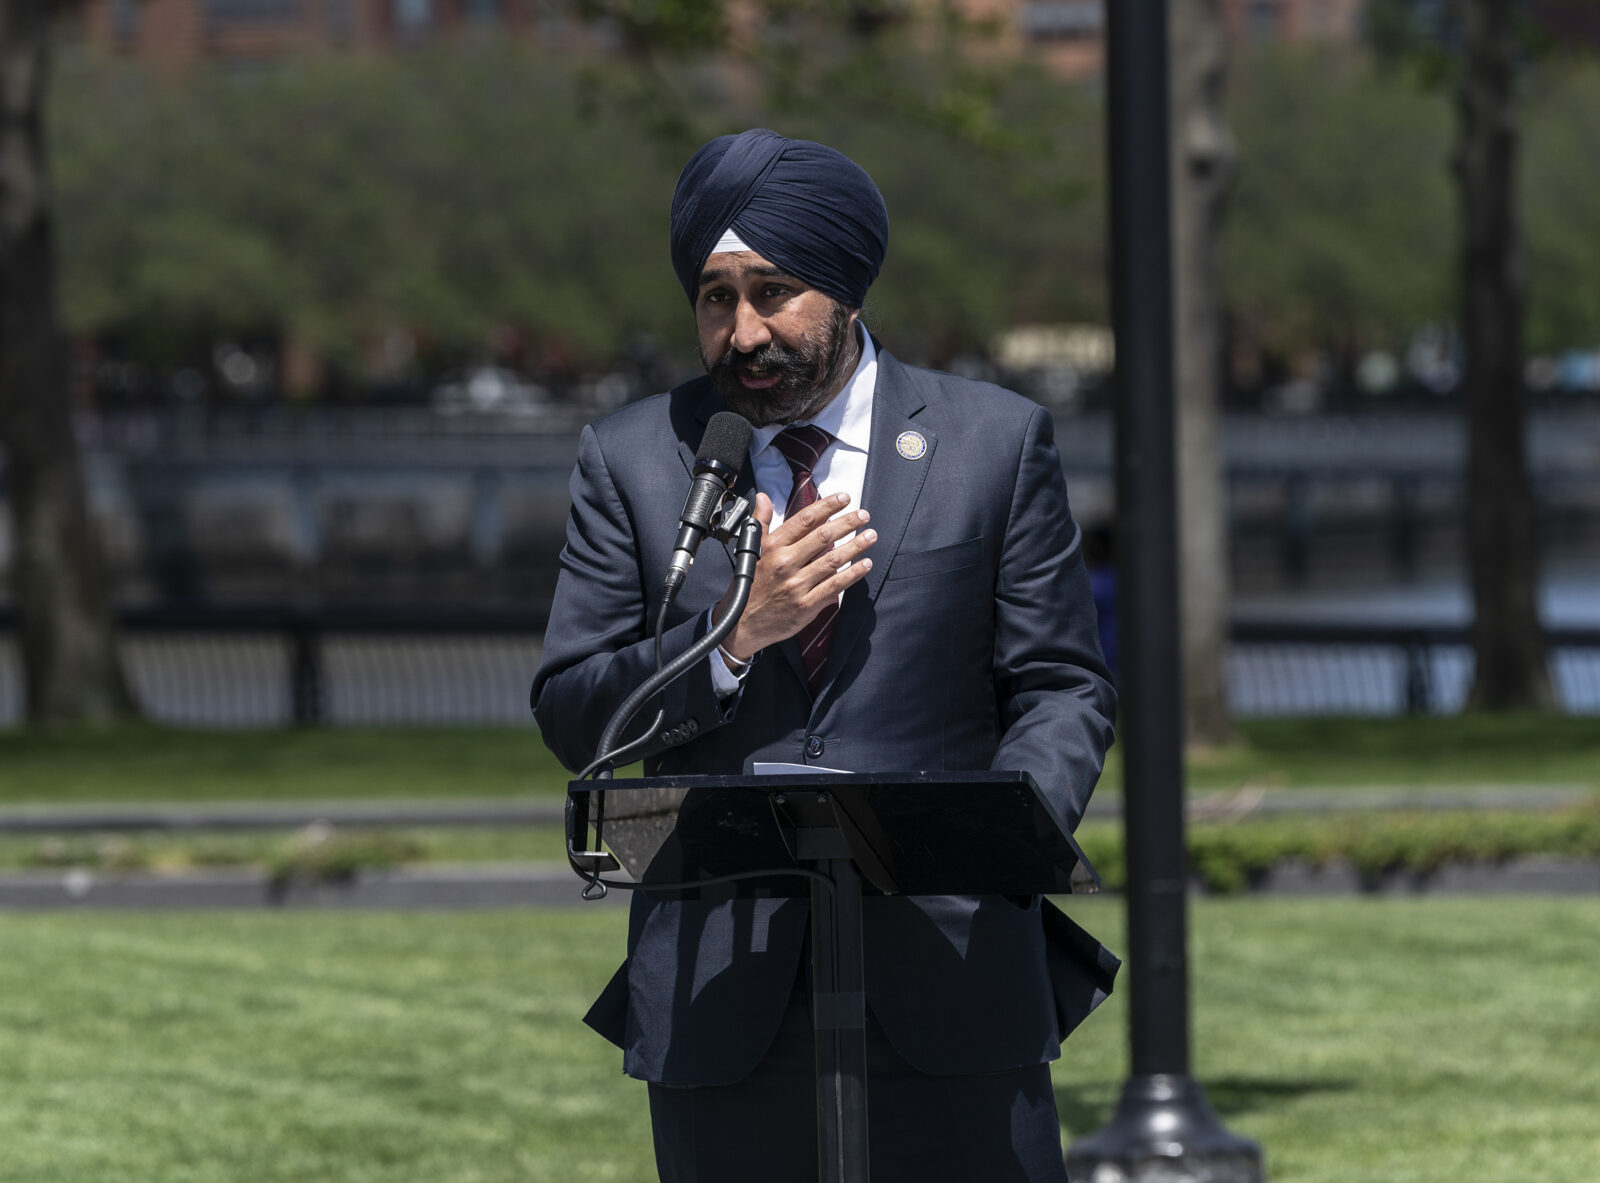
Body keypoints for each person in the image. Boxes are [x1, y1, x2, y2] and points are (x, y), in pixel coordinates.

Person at [532, 128, 1119, 1183]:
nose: (743, 330)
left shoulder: (993, 442)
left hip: (954, 971)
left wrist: (994, 832)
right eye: (715, 298)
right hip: (720, 994)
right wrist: (734, 635)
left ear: (845, 289)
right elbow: (576, 710)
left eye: (774, 292)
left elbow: (1060, 685)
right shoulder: (632, 459)